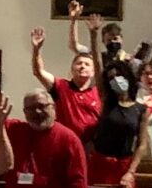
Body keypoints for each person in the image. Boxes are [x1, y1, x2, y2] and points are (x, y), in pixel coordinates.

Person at [0, 88, 89, 188]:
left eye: (41, 106)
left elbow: (78, 180)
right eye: (31, 108)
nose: (37, 112)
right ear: (24, 112)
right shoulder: (15, 130)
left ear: (53, 107)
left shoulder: (68, 139)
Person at [30, 10, 103, 143]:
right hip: (63, 143)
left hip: (91, 147)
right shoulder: (60, 86)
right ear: (72, 69)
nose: (82, 66)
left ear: (93, 71)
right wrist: (36, 49)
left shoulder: (99, 91)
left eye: (87, 64)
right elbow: (38, 72)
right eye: (79, 63)